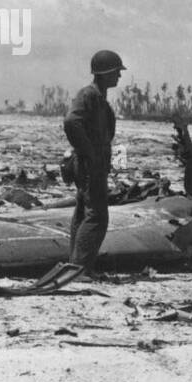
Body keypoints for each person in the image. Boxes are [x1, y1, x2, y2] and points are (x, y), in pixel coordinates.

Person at [64, 49, 125, 273]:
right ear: (105, 73)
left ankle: (74, 267)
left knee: (83, 213)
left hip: (93, 164)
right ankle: (79, 269)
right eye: (116, 72)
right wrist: (88, 152)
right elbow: (71, 122)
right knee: (97, 217)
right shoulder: (89, 95)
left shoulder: (99, 99)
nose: (119, 76)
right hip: (90, 165)